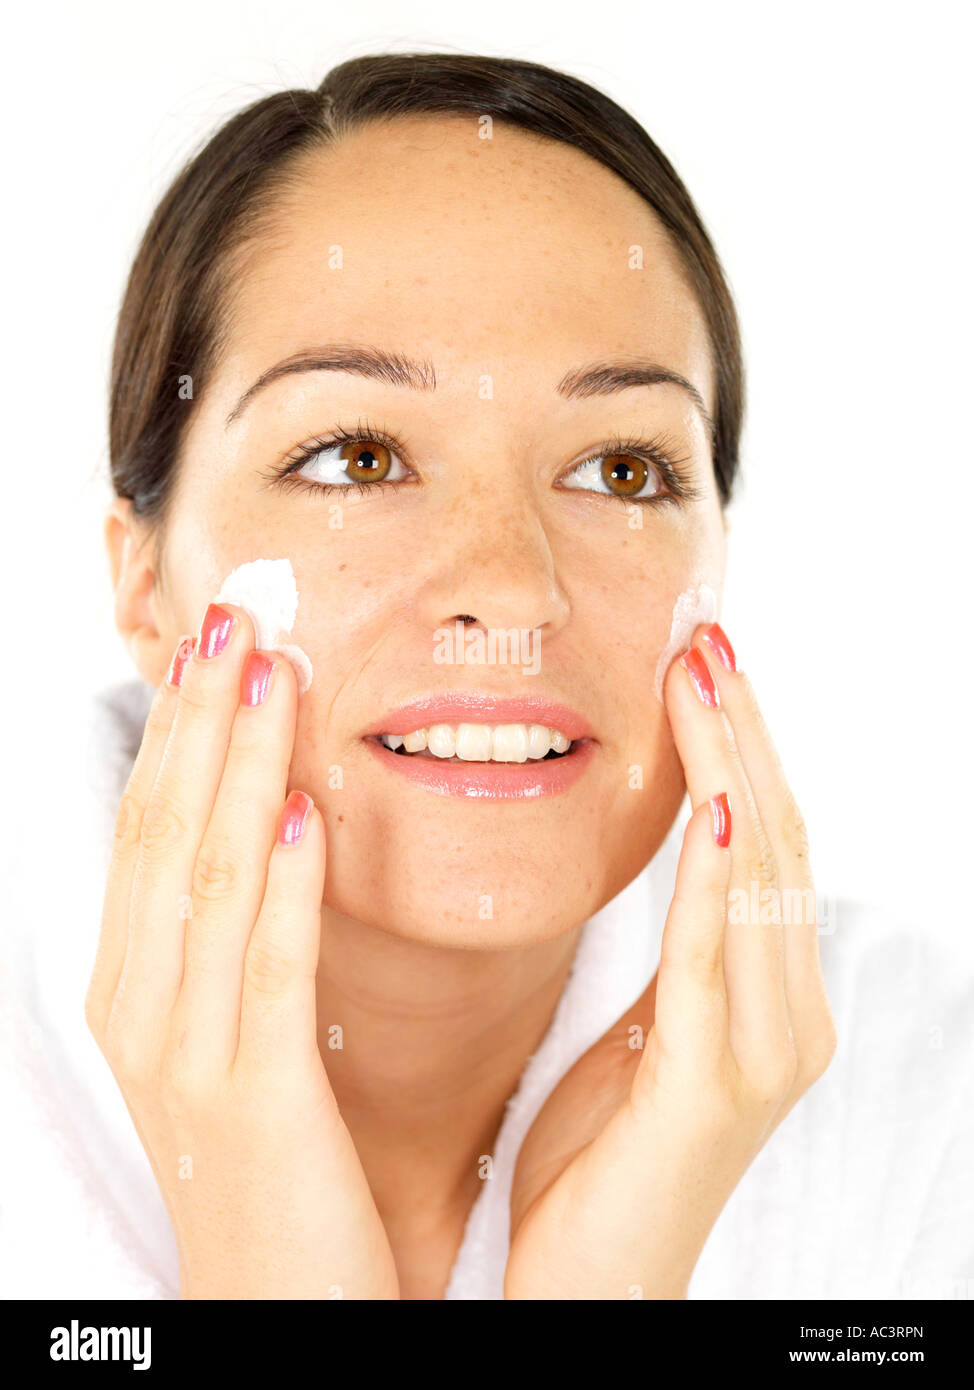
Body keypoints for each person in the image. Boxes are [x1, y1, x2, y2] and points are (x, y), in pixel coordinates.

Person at [5, 53, 971, 1302]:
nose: (511, 588)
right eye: (356, 456)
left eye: (620, 470)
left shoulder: (924, 1100)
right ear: (143, 584)